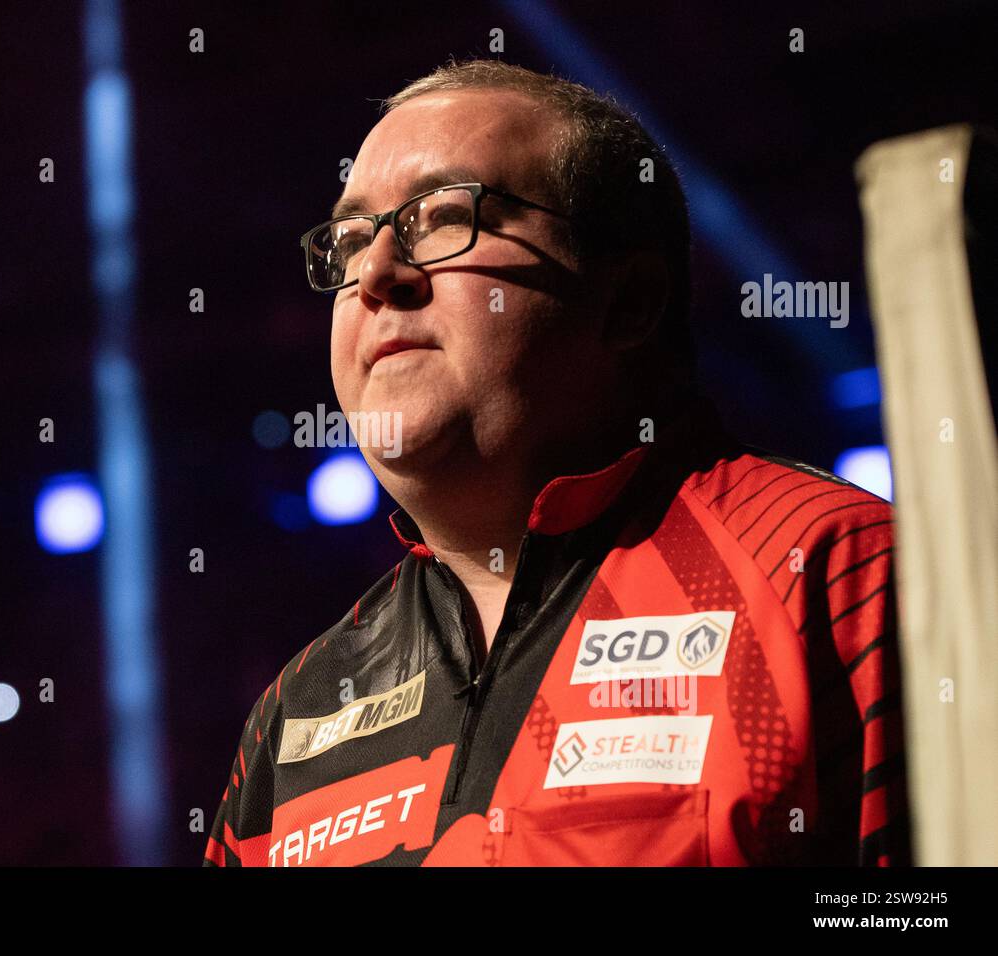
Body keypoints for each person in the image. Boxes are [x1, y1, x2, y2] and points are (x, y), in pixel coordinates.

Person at [203, 59, 910, 867]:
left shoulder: (835, 573)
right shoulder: (294, 715)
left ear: (629, 303)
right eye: (352, 240)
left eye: (442, 217)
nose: (377, 274)